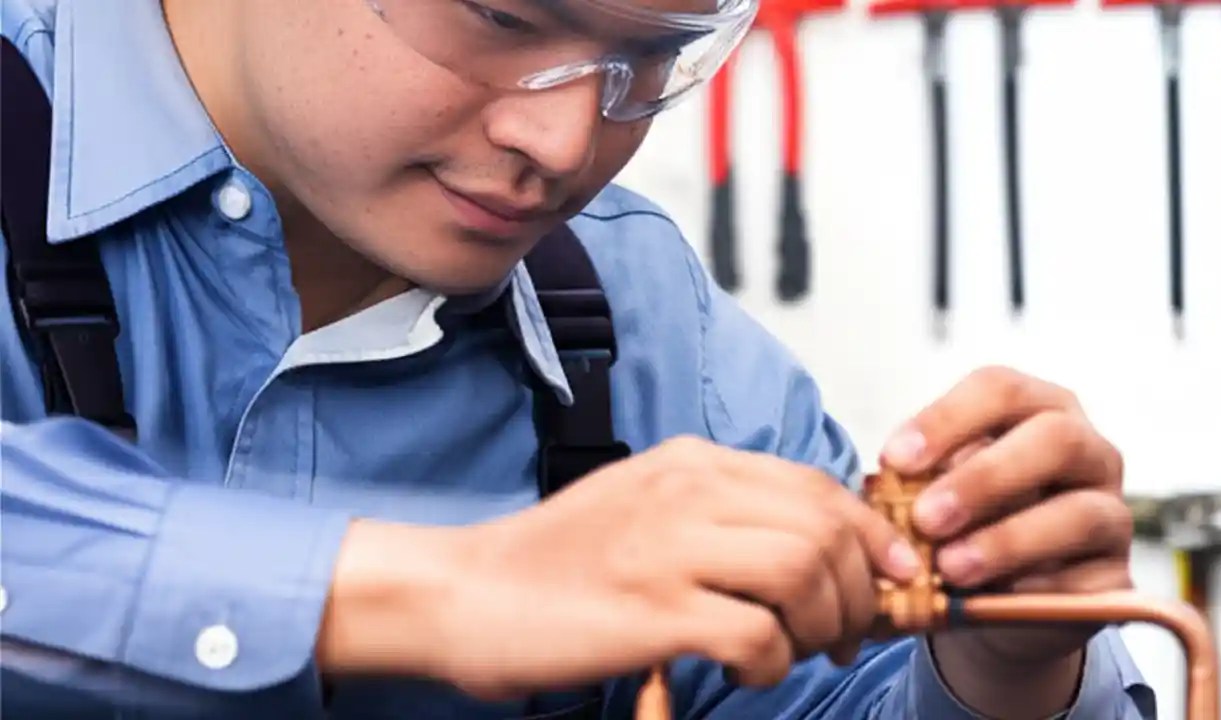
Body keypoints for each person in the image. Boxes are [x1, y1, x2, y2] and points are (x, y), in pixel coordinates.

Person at [0, 0, 1155, 718]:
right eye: (503, 19)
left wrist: (1001, 676)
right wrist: (440, 589)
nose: (561, 145)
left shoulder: (645, 325)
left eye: (647, 58)